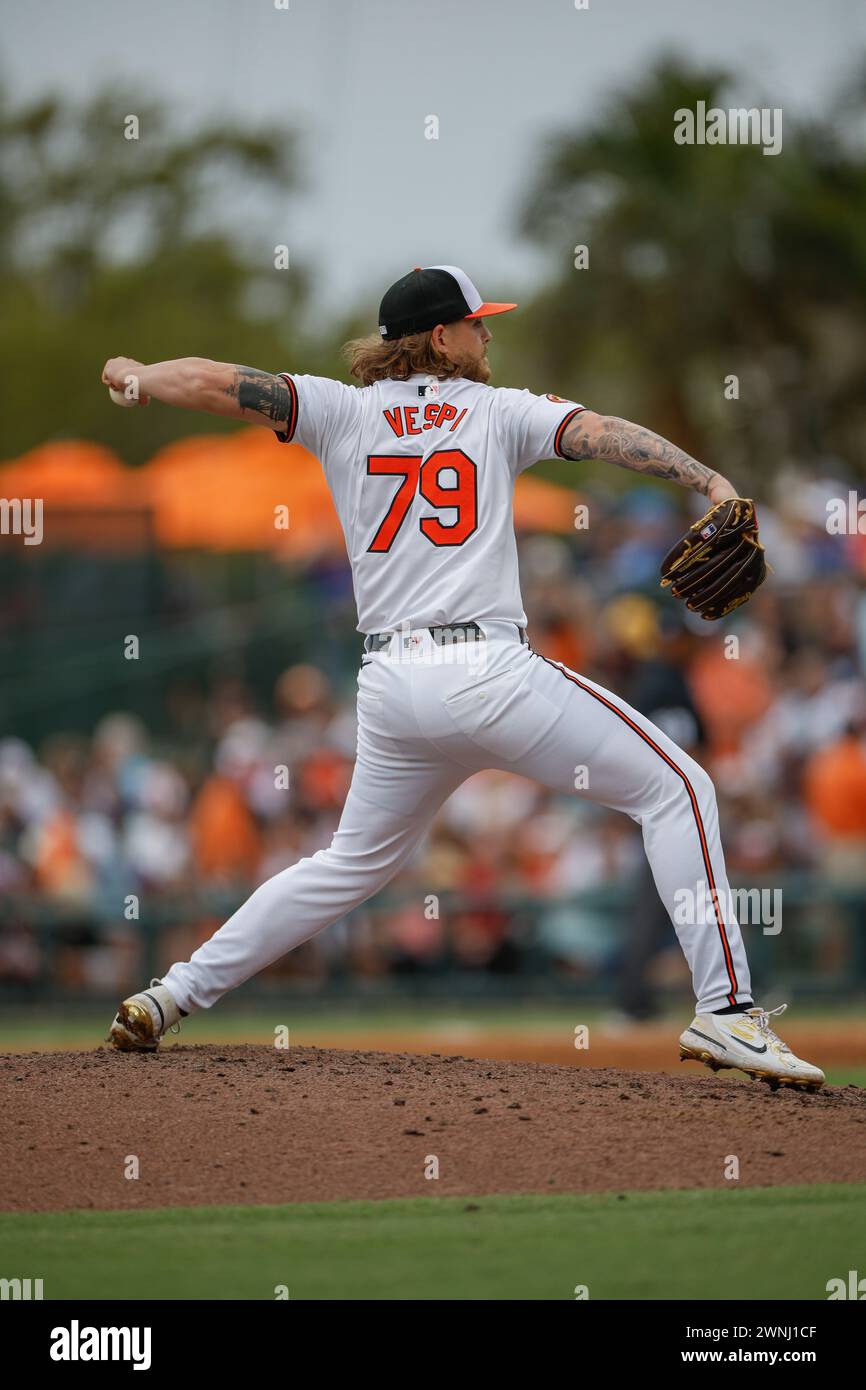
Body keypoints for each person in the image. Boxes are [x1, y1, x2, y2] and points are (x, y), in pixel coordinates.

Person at [101, 263, 824, 1090]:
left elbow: (223, 383)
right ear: (441, 337)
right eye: (478, 323)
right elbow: (603, 434)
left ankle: (170, 995)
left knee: (346, 865)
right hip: (486, 670)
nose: (489, 335)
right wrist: (708, 479)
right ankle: (727, 1011)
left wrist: (141, 376)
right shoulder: (499, 410)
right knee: (681, 789)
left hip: (392, 686)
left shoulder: (339, 408)